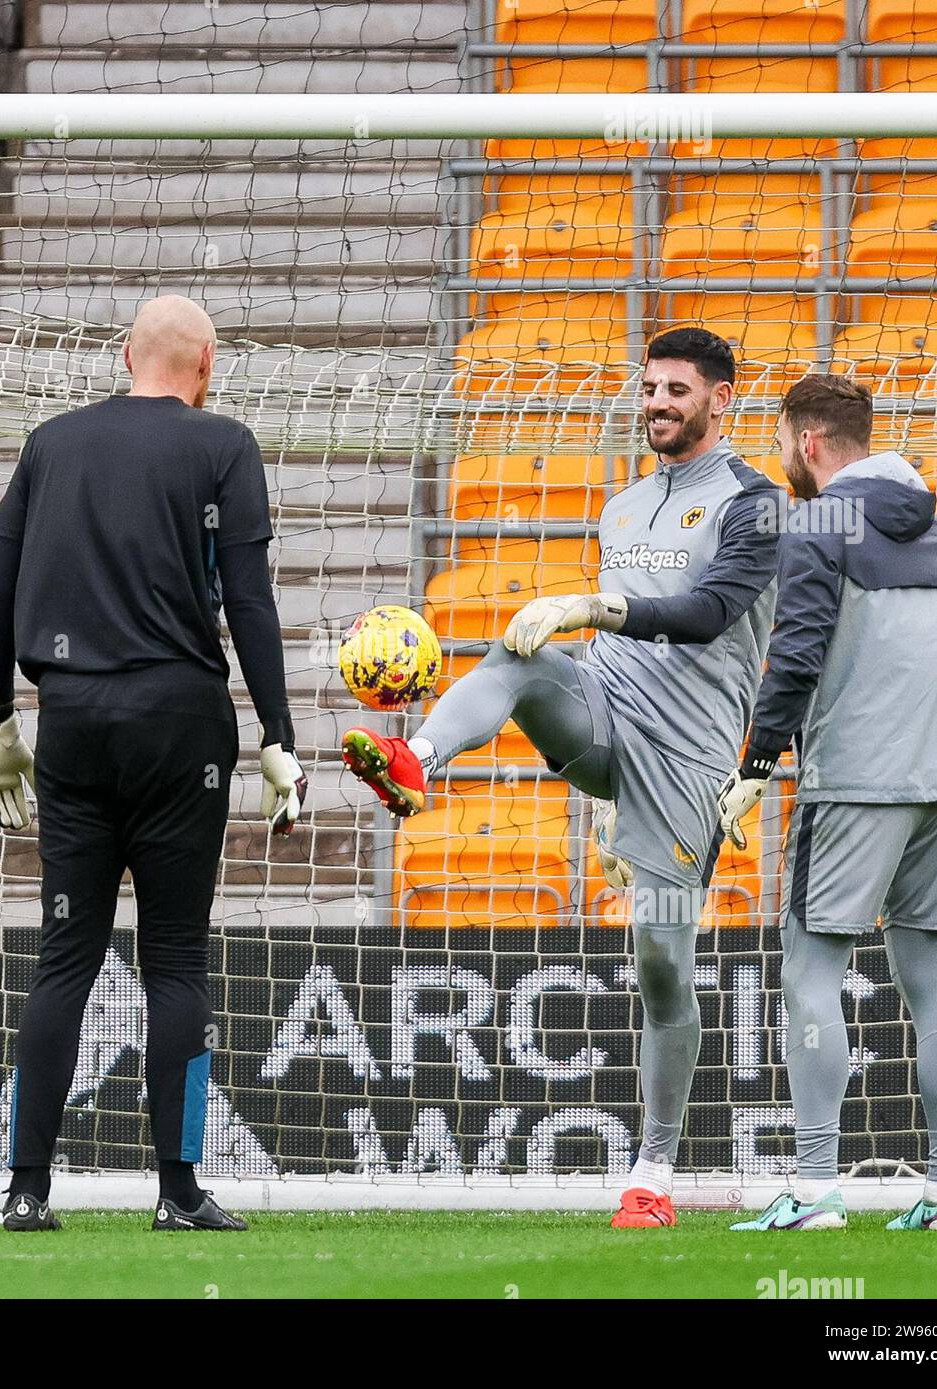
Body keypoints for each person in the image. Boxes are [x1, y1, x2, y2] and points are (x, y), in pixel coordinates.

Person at [342, 328, 783, 1227]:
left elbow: (706, 614)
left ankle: (652, 1171)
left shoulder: (757, 504)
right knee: (519, 650)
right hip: (603, 716)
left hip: (687, 760)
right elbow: (618, 645)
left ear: (721, 399)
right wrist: (596, 781)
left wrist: (590, 604)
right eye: (650, 388)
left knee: (661, 961)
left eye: (676, 390)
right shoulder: (622, 507)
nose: (657, 402)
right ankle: (413, 760)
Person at [0, 294, 303, 1233]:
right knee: (177, 961)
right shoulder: (223, 444)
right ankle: (179, 1189)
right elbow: (248, 599)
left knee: (62, 959)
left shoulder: (50, 443)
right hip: (180, 725)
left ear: (127, 355)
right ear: (204, 362)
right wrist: (277, 732)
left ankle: (27, 1190)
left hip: (70, 719)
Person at [721, 374, 937, 1233]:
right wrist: (933, 756)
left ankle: (813, 1190)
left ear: (807, 444)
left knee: (809, 977)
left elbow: (794, 656)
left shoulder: (818, 528)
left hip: (848, 790)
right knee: (935, 987)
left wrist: (757, 763)